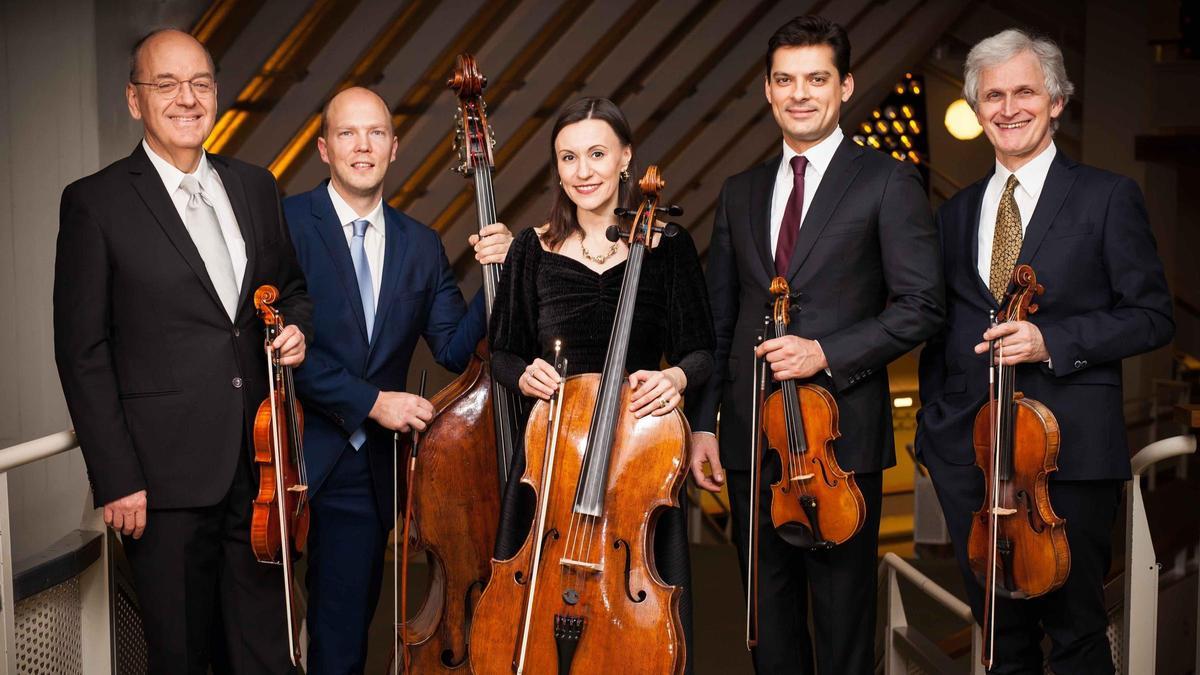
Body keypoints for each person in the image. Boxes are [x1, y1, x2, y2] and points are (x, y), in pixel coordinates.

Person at [687, 15, 944, 674]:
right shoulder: (739, 191)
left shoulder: (887, 181)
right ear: (769, 91)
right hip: (750, 441)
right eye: (785, 80)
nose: (800, 93)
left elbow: (922, 307)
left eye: (816, 79)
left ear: (846, 85)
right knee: (766, 629)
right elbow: (721, 319)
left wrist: (825, 352)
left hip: (836, 443)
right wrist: (705, 425)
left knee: (841, 630)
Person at [915, 29, 1174, 674]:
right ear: (976, 110)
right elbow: (941, 334)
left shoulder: (1107, 196)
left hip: (1069, 456)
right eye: (993, 95)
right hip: (970, 456)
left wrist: (1051, 340)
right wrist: (934, 432)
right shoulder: (953, 215)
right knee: (1001, 640)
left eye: (1025, 91)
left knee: (1079, 635)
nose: (1009, 108)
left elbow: (1151, 317)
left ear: (1057, 101)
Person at [53, 28, 311, 673]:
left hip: (260, 473)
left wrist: (298, 328)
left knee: (264, 655)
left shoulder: (256, 185)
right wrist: (117, 477)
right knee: (182, 656)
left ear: (217, 94)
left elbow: (292, 291)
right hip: (161, 483)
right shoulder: (96, 201)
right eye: (166, 84)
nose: (187, 98)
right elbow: (82, 351)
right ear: (135, 100)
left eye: (200, 83)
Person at [282, 86, 511, 673]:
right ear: (324, 148)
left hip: (364, 472)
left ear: (394, 147)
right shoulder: (284, 224)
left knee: (343, 634)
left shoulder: (420, 244)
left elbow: (458, 350)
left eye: (376, 133)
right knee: (259, 635)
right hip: (283, 453)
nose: (363, 146)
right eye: (348, 133)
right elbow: (274, 340)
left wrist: (499, 279)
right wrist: (372, 401)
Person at [486, 96, 714, 670]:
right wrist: (524, 372)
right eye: (568, 158)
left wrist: (676, 376)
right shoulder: (531, 249)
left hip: (638, 460)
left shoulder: (669, 247)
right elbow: (502, 354)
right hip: (553, 460)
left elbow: (702, 351)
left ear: (625, 159)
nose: (582, 172)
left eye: (596, 154)